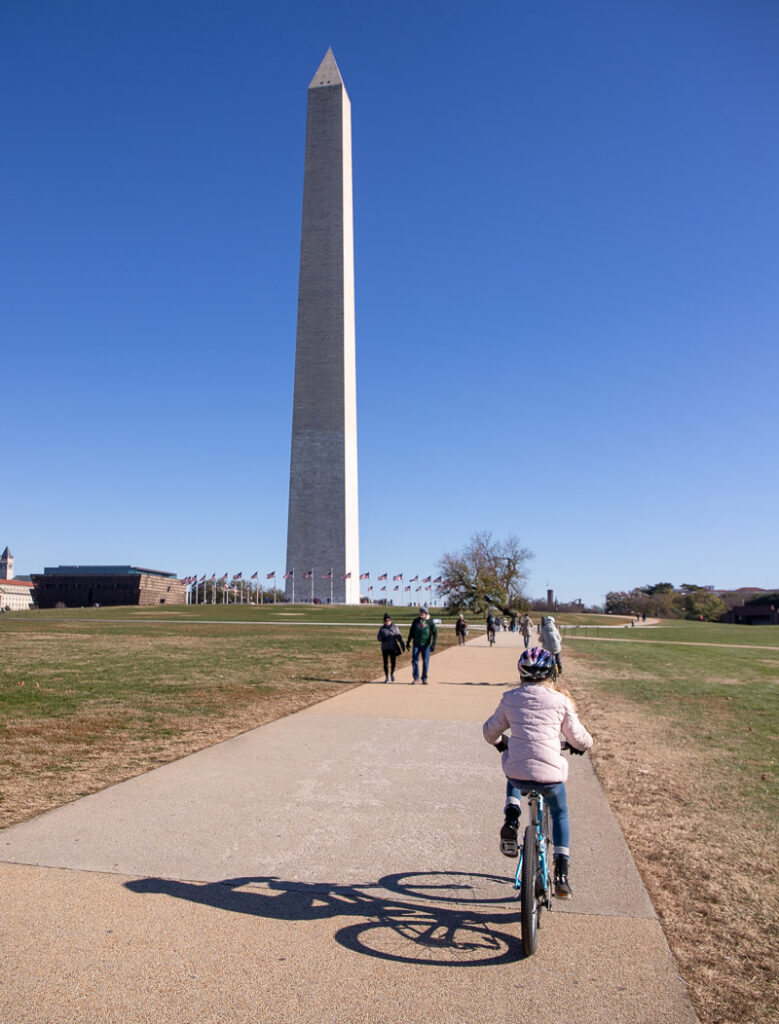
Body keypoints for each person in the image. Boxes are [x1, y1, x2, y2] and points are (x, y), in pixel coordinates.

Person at [482, 647, 593, 899]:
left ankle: (511, 817)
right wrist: (582, 747)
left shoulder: (510, 698)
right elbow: (578, 737)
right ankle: (562, 872)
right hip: (550, 776)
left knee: (513, 764)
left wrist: (501, 741)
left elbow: (490, 731)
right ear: (551, 673)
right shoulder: (560, 701)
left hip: (519, 771)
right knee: (560, 813)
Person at [406, 606, 437, 684]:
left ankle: (424, 678)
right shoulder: (416, 621)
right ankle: (416, 678)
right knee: (414, 661)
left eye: (423, 613)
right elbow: (411, 632)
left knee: (425, 662)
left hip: (426, 645)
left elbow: (435, 633)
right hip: (416, 644)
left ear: (426, 614)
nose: (421, 614)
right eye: (420, 612)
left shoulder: (430, 622)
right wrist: (408, 641)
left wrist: (433, 644)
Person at [377, 612, 404, 683]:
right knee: (385, 663)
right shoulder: (382, 629)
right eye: (386, 620)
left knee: (393, 663)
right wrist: (382, 639)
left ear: (391, 620)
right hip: (385, 648)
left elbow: (399, 636)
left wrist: (402, 644)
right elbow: (378, 637)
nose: (387, 622)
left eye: (388, 620)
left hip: (393, 648)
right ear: (384, 621)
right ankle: (386, 677)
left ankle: (392, 673)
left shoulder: (395, 627)